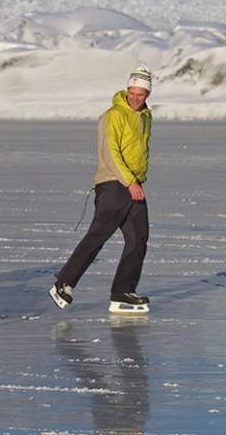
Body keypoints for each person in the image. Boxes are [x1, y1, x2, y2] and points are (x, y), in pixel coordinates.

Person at [50, 66, 153, 314]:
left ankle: (122, 293)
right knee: (99, 234)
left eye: (141, 93)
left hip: (133, 184)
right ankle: (64, 283)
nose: (136, 97)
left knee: (138, 239)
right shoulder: (113, 115)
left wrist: (136, 181)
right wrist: (130, 182)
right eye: (133, 91)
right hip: (113, 184)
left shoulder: (145, 117)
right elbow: (111, 153)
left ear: (148, 94)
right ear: (127, 89)